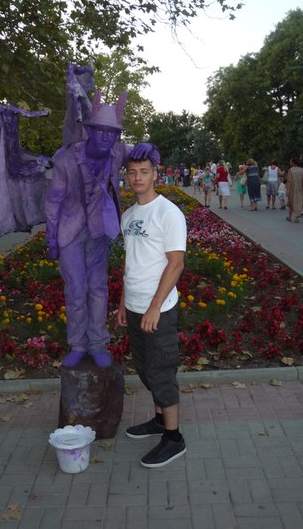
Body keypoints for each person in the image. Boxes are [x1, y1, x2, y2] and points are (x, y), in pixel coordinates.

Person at [46, 91, 158, 369]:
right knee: (76, 289)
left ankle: (97, 343)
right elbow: (53, 201)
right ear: (90, 131)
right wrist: (52, 239)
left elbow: (150, 155)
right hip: (69, 232)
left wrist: (148, 145)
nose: (107, 137)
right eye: (101, 131)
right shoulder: (66, 158)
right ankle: (77, 344)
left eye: (112, 133)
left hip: (98, 232)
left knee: (97, 288)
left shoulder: (117, 152)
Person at [117, 154, 187, 468]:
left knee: (161, 372)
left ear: (155, 175)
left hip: (159, 309)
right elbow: (129, 261)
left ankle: (173, 438)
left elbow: (176, 264)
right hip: (135, 306)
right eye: (132, 172)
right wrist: (123, 302)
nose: (137, 177)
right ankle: (159, 421)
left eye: (144, 172)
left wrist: (155, 307)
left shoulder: (168, 213)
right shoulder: (129, 215)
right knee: (146, 370)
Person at [286, 158, 303, 223]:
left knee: (291, 202)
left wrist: (287, 190)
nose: (290, 163)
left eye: (290, 161)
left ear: (293, 163)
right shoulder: (302, 170)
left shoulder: (291, 170)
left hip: (292, 188)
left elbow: (289, 181)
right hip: (301, 189)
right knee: (298, 202)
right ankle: (296, 218)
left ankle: (290, 217)